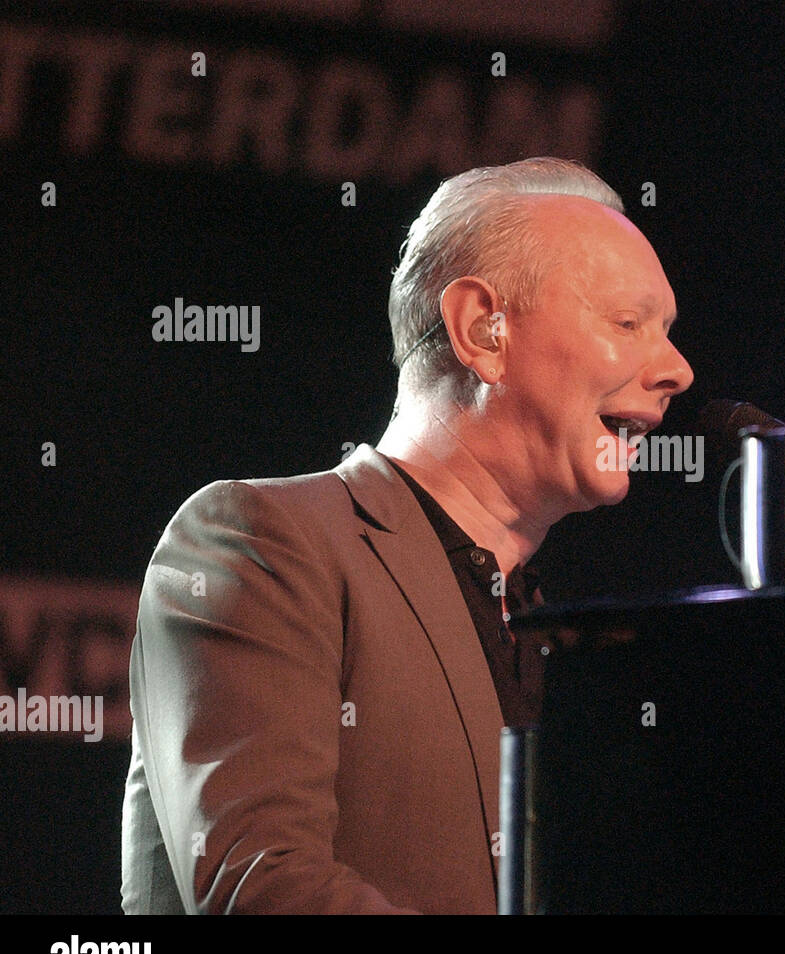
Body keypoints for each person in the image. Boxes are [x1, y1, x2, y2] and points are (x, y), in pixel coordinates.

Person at [120, 157, 694, 914]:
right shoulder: (264, 542)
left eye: (667, 333)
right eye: (628, 323)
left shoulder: (555, 632)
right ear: (481, 330)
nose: (678, 370)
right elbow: (264, 888)